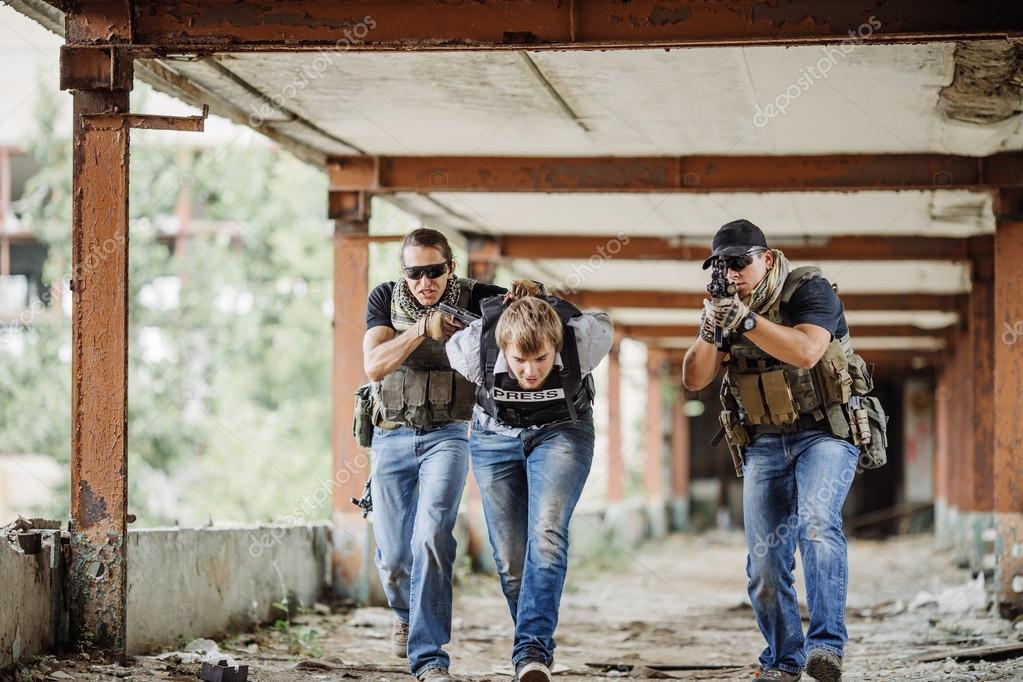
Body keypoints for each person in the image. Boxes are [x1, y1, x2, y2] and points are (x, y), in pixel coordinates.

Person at [682, 219, 869, 682]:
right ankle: (783, 660)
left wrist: (745, 320)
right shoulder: (726, 307)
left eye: (739, 262)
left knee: (818, 527)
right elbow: (694, 378)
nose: (731, 273)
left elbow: (806, 352)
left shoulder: (809, 289)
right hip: (765, 441)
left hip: (825, 432)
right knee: (764, 563)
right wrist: (713, 327)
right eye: (722, 265)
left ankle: (825, 649)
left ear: (766, 259)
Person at [446, 287, 614, 682]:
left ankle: (531, 651)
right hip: (493, 437)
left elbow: (604, 320)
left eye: (541, 358)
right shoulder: (472, 348)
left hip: (562, 432)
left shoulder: (584, 339)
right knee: (508, 557)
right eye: (520, 360)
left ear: (556, 343)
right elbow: (450, 340)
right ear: (503, 346)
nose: (531, 371)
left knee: (547, 534)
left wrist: (553, 302)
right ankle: (532, 641)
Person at [363, 228, 506, 682]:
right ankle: (405, 614)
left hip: (448, 434)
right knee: (392, 558)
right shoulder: (386, 299)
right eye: (415, 273)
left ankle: (429, 658)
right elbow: (374, 364)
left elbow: (526, 317)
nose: (425, 282)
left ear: (451, 268)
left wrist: (529, 295)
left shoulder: (478, 296)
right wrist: (422, 329)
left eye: (434, 272)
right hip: (392, 435)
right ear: (403, 273)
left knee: (431, 536)